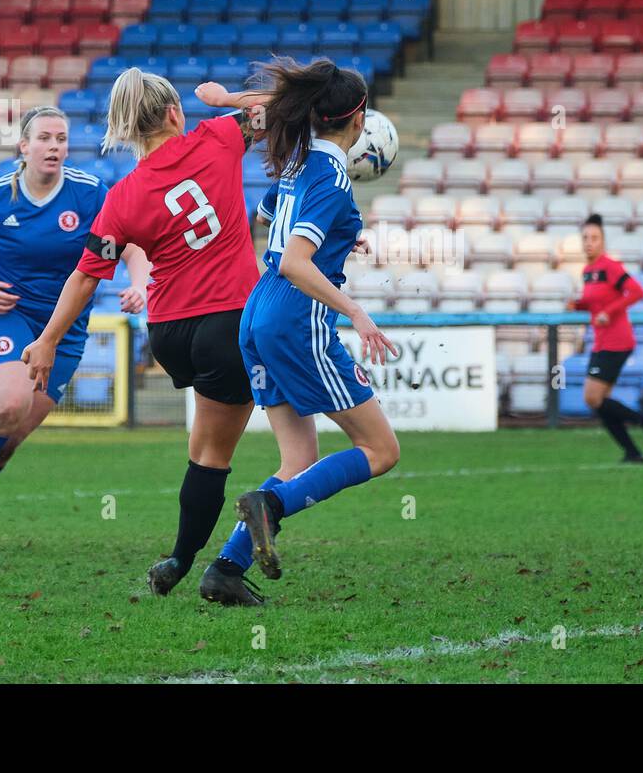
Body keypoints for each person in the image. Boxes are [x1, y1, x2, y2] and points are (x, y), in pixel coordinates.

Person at [22, 67, 266, 601]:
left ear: (128, 129)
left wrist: (45, 339)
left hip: (169, 331)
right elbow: (282, 106)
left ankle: (186, 556)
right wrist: (229, 98)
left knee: (205, 446)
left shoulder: (122, 197)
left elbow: (87, 275)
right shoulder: (219, 136)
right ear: (175, 114)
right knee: (222, 452)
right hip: (228, 320)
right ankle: (200, 560)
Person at [0, 106, 147, 550]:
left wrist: (138, 283)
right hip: (5, 312)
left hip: (65, 330)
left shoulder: (91, 193)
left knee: (8, 441)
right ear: (24, 146)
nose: (54, 146)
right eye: (45, 138)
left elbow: (130, 247)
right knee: (9, 404)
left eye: (61, 138)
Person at [218, 58, 400, 595]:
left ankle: (226, 571)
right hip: (294, 320)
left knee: (298, 458)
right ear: (359, 117)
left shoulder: (298, 161)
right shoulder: (332, 176)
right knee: (381, 450)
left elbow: (267, 215)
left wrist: (343, 236)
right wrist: (356, 311)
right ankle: (270, 506)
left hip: (257, 316)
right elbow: (298, 262)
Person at [566, 214, 643, 463]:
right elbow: (597, 302)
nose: (589, 242)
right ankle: (633, 453)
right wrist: (579, 304)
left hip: (617, 341)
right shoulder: (588, 271)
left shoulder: (610, 266)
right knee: (599, 402)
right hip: (602, 341)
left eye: (594, 238)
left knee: (592, 397)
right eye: (585, 238)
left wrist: (610, 311)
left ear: (602, 241)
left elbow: (636, 291)